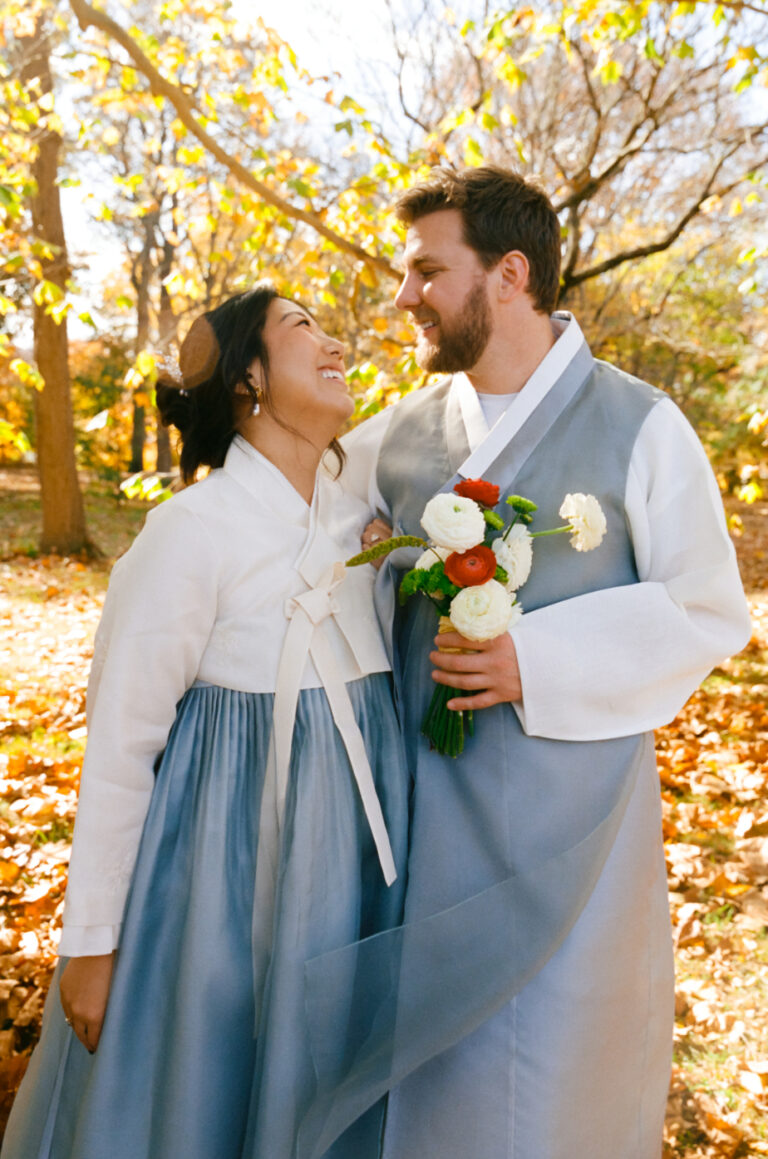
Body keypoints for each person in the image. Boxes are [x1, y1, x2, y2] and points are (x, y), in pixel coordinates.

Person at [318, 166, 752, 1159]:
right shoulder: (398, 436)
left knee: (560, 1076)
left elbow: (708, 606)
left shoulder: (643, 424)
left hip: (579, 828)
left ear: (508, 274)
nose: (404, 297)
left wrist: (536, 657)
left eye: (429, 271)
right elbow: (318, 563)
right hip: (426, 818)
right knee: (429, 1071)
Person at [1, 284, 409, 1159]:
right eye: (304, 328)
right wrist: (92, 942)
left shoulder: (367, 516)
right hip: (225, 874)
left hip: (352, 866)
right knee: (210, 1084)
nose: (335, 343)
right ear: (247, 380)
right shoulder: (190, 531)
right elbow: (121, 743)